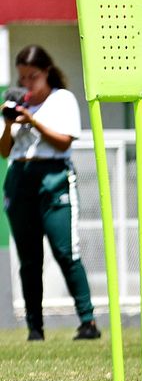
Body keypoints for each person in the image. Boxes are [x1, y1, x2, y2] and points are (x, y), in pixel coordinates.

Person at [1, 45, 100, 342]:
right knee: (29, 258)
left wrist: (33, 122)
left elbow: (63, 142)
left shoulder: (62, 100)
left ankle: (88, 322)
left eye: (33, 76)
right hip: (20, 179)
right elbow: (5, 150)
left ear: (46, 72)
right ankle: (35, 328)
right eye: (22, 78)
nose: (27, 84)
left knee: (65, 251)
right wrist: (9, 124)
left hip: (54, 177)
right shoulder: (16, 102)